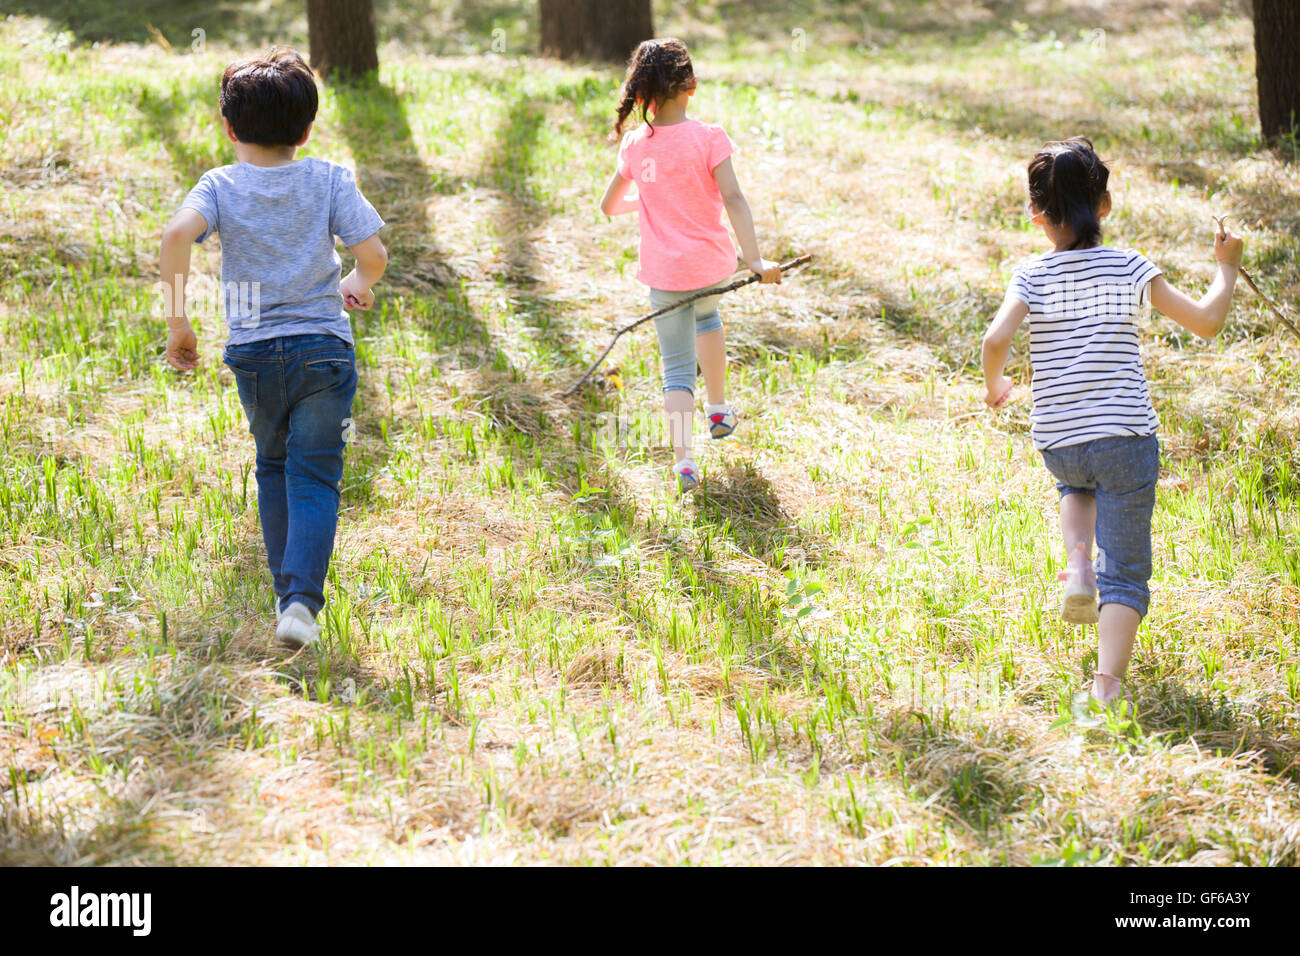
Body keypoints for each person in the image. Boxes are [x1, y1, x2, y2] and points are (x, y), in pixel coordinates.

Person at [981, 136, 1243, 704]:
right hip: (1125, 437)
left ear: (1035, 214)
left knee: (1074, 484)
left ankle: (1078, 564)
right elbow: (1205, 322)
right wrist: (1226, 268)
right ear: (1104, 205)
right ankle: (1106, 687)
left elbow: (995, 338)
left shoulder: (1030, 276)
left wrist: (995, 385)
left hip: (1060, 438)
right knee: (1124, 570)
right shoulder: (1130, 267)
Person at [158, 48, 387, 649]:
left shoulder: (219, 185)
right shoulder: (330, 177)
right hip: (324, 353)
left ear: (229, 128)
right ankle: (301, 604)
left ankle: (287, 595)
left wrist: (180, 324)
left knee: (274, 466)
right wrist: (356, 285)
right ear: (307, 130)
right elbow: (374, 255)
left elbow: (177, 233)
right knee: (315, 475)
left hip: (256, 355)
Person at [599, 37, 782, 493]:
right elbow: (735, 198)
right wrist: (755, 259)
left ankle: (684, 461)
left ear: (640, 95)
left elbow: (609, 205)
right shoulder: (708, 138)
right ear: (691, 86)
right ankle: (718, 406)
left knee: (676, 370)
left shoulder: (636, 146)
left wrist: (649, 202)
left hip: (664, 275)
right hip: (711, 268)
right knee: (709, 316)